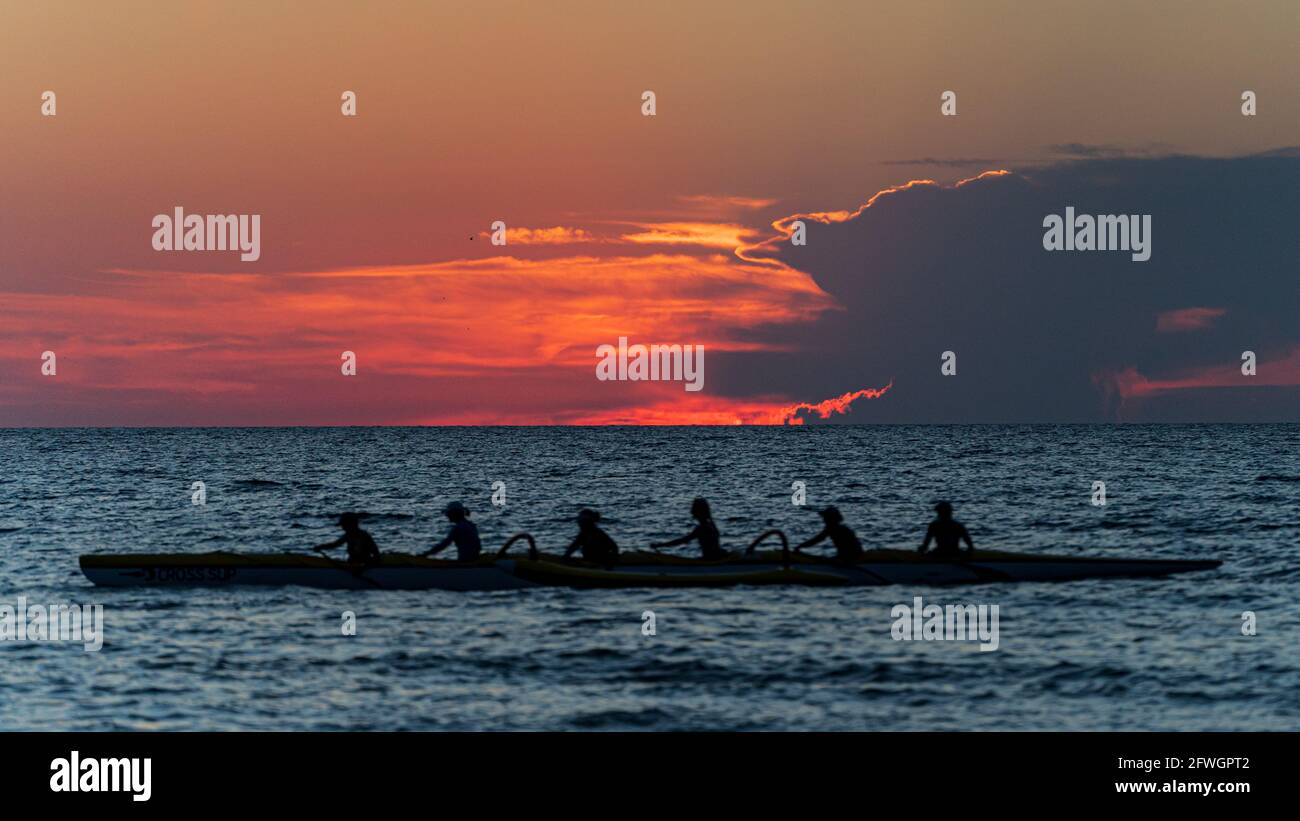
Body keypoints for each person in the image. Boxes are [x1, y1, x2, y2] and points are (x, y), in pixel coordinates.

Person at [651, 497, 725, 560]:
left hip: (710, 560)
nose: (691, 511)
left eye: (693, 509)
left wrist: (659, 545)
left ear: (696, 512)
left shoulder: (702, 528)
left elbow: (682, 540)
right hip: (716, 557)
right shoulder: (711, 524)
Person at [796, 506, 864, 562]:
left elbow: (817, 540)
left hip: (849, 558)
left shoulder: (833, 529)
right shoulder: (840, 528)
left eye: (825, 518)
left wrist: (800, 546)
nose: (823, 520)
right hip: (851, 555)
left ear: (830, 519)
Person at [313, 512, 381, 565]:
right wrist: (320, 547)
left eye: (344, 525)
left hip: (364, 564)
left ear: (352, 525)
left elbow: (376, 553)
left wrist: (367, 566)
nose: (343, 528)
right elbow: (334, 545)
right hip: (352, 563)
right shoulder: (348, 535)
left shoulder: (364, 536)